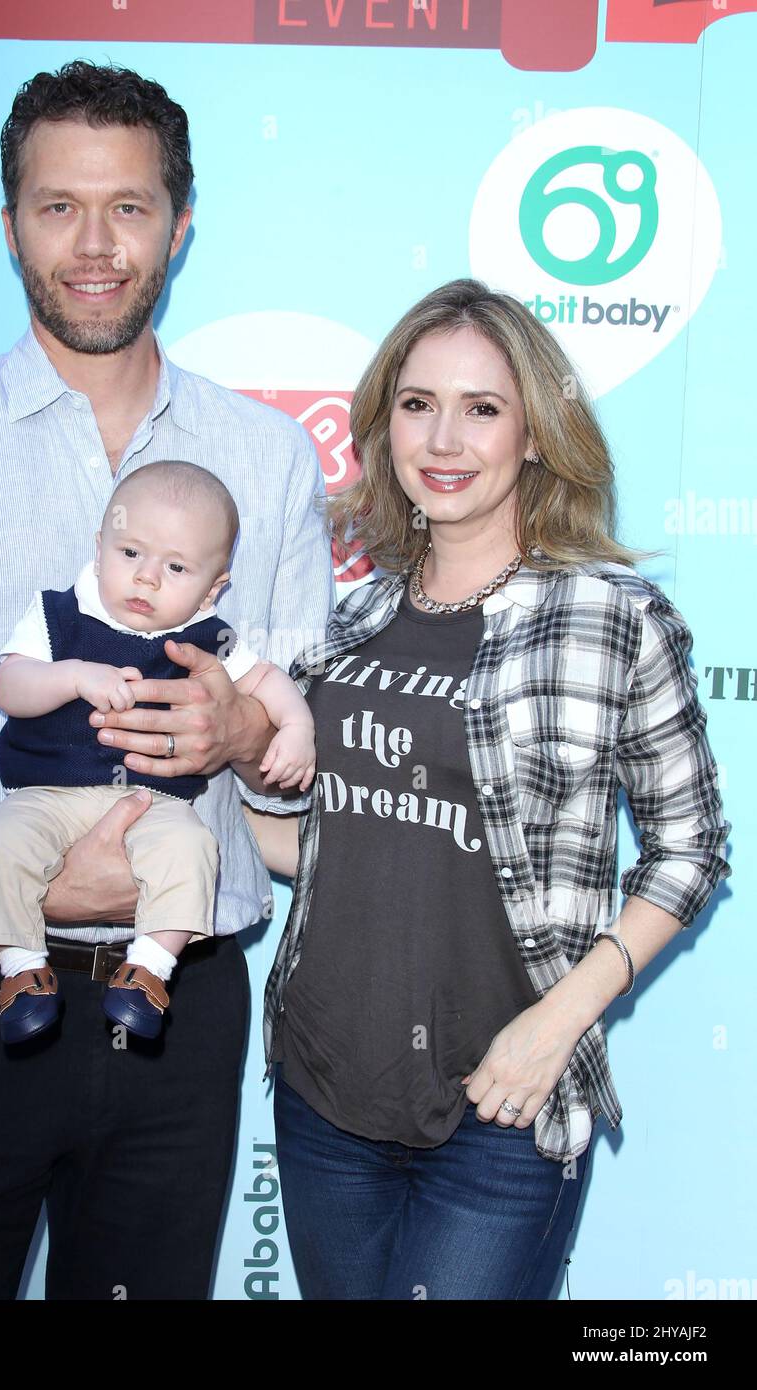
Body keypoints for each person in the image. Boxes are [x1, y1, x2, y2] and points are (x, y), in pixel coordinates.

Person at [0, 59, 333, 1299]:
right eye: (58, 206)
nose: (95, 245)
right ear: (9, 226)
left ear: (180, 226)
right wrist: (26, 862)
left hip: (180, 1007)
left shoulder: (265, 459)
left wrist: (243, 726)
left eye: (131, 207)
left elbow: (284, 783)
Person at [244, 278, 731, 1301]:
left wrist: (560, 1022)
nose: (444, 438)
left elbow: (692, 851)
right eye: (417, 404)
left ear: (537, 435)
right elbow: (343, 841)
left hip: (505, 1108)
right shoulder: (346, 622)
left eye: (482, 407)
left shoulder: (612, 617)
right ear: (383, 428)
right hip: (326, 1090)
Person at [0, 462, 315, 1043]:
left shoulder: (209, 634)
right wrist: (72, 676)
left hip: (151, 801)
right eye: (130, 553)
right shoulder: (56, 615)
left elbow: (268, 681)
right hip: (45, 794)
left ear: (212, 588)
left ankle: (150, 969)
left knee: (193, 846)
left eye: (176, 567)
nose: (147, 578)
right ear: (98, 546)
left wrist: (298, 726)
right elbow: (10, 686)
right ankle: (20, 966)